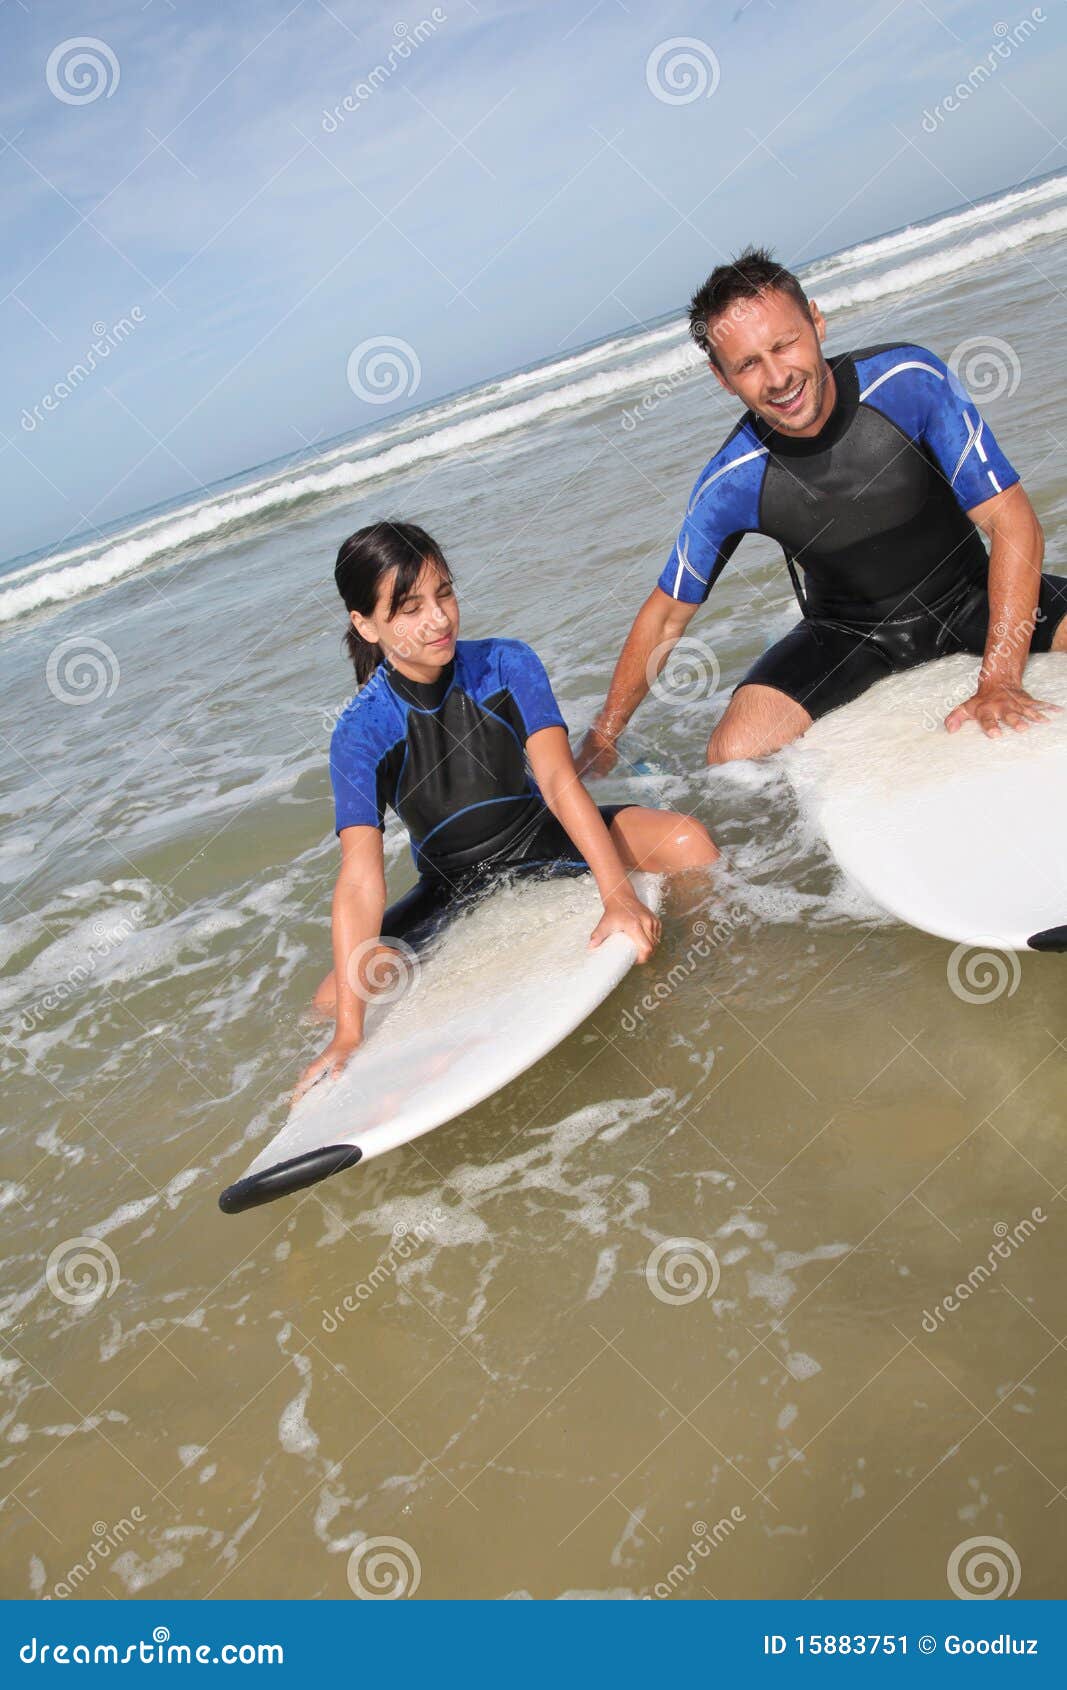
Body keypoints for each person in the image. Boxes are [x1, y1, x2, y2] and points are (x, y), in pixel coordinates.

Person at [578, 247, 1067, 778]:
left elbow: (1012, 521)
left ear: (816, 322)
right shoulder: (733, 480)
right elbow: (667, 613)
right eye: (747, 364)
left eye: (784, 344)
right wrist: (604, 735)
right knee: (732, 753)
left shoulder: (908, 383)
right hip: (848, 636)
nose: (777, 378)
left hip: (972, 597)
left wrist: (1000, 678)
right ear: (723, 379)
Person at [295, 520, 718, 1101]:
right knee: (332, 997)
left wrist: (617, 894)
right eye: (410, 607)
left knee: (687, 841)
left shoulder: (506, 664)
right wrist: (348, 1032)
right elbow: (360, 879)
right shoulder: (359, 731)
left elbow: (557, 781)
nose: (439, 618)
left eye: (445, 593)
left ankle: (694, 969)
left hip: (539, 835)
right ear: (365, 624)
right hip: (450, 885)